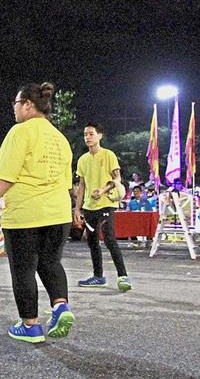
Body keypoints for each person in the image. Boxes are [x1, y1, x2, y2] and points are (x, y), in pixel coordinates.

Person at [0, 82, 75, 343]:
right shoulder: (61, 139)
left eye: (16, 103)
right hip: (58, 214)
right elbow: (67, 184)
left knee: (23, 269)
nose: (14, 109)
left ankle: (30, 326)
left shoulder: (20, 132)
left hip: (25, 214)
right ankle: (60, 306)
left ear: (28, 105)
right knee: (50, 263)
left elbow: (5, 176)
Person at [74, 123, 131, 291]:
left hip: (106, 203)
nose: (88, 137)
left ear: (100, 136)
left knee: (109, 238)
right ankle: (98, 276)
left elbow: (117, 179)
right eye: (85, 134)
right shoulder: (83, 159)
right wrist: (78, 209)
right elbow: (82, 186)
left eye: (91, 134)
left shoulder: (108, 155)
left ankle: (123, 276)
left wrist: (103, 190)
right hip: (89, 206)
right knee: (92, 242)